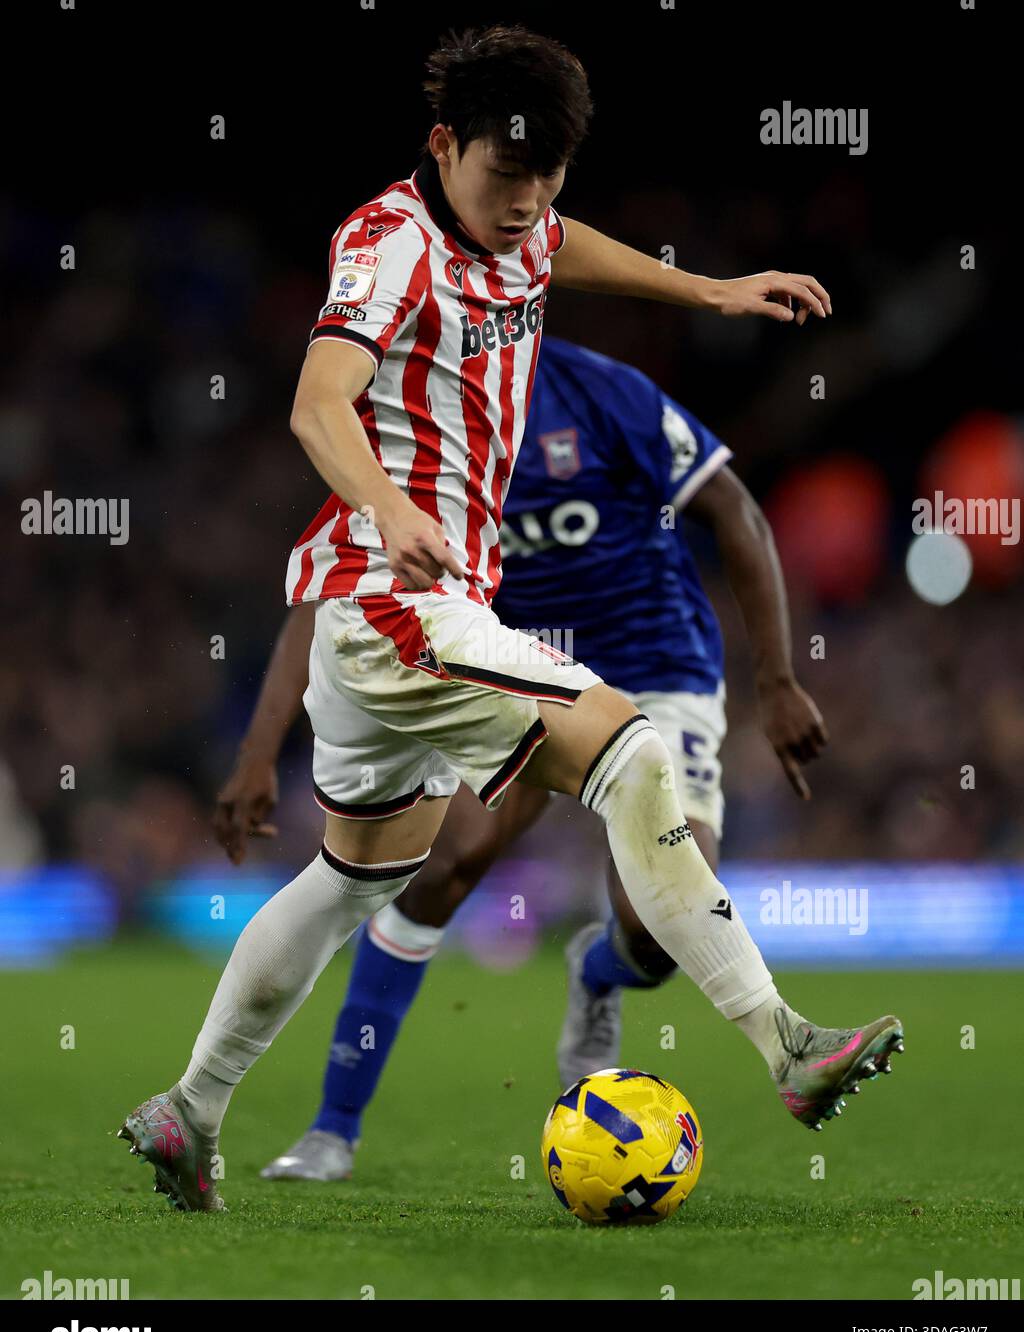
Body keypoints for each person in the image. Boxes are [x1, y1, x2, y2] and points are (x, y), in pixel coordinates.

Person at [119, 24, 900, 1213]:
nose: (522, 213)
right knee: (631, 748)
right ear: (442, 145)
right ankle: (786, 1044)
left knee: (349, 880)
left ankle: (191, 1108)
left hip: (380, 624)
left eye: (543, 191)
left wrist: (707, 288)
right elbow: (315, 404)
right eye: (500, 184)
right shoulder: (387, 243)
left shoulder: (527, 226)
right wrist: (388, 507)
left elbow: (563, 247)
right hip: (397, 599)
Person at [225, 334, 834, 1183]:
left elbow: (734, 509)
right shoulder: (417, 418)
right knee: (442, 867)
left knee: (655, 935)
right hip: (515, 659)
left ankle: (597, 966)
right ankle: (332, 1129)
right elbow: (341, 585)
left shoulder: (605, 392)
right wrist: (260, 752)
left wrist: (775, 678)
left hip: (657, 665)